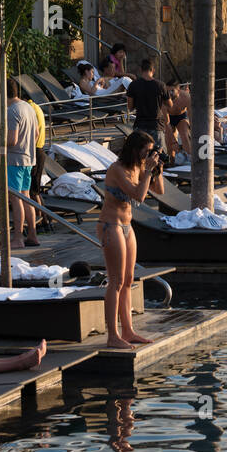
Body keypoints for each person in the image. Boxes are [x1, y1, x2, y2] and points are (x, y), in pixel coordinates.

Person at [96, 132, 163, 349]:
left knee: (128, 279)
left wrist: (156, 170)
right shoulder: (116, 169)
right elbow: (139, 196)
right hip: (110, 225)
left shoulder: (139, 167)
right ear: (135, 149)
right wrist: (148, 172)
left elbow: (158, 190)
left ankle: (128, 330)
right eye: (146, 151)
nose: (147, 156)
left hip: (127, 226)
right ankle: (112, 336)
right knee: (115, 281)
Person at [0, 79, 40, 247]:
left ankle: (17, 238)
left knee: (16, 199)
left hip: (15, 160)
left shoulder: (12, 110)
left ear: (3, 92)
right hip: (29, 158)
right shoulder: (28, 107)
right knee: (26, 197)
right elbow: (36, 133)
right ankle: (32, 235)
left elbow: (12, 140)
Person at [127, 58, 164, 139]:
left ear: (141, 69)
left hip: (140, 126)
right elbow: (169, 104)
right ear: (153, 70)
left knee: (139, 151)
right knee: (157, 151)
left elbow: (130, 107)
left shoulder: (133, 85)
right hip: (156, 126)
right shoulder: (160, 85)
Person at [162, 81, 192, 158]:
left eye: (172, 91)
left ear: (178, 90)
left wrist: (193, 132)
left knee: (184, 135)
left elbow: (191, 116)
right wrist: (174, 141)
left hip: (181, 116)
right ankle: (172, 162)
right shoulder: (164, 99)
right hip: (169, 118)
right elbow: (167, 122)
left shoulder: (186, 97)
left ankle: (189, 158)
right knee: (169, 142)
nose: (169, 94)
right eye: (167, 91)